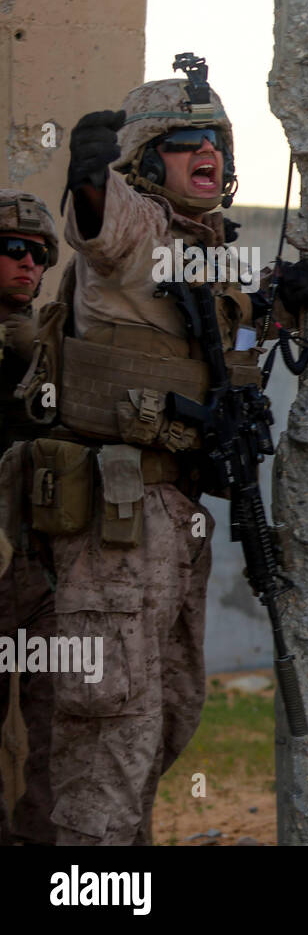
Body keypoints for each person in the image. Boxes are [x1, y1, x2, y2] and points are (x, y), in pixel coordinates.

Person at [38, 64, 308, 845]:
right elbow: (98, 217)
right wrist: (91, 174)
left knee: (168, 711)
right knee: (112, 717)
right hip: (119, 519)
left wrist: (277, 306)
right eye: (184, 143)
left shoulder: (213, 255)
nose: (209, 155)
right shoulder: (134, 231)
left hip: (176, 517)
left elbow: (228, 339)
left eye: (218, 143)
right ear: (142, 162)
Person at [0, 189, 59, 844]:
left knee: (53, 719)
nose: (27, 265)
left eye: (39, 255)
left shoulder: (50, 343)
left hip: (42, 564)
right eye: (12, 250)